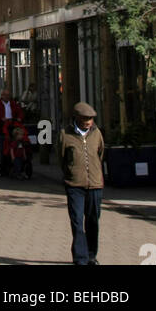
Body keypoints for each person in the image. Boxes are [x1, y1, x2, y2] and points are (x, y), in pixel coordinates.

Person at [61, 101, 105, 266]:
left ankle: (91, 254)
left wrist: (95, 173)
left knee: (93, 220)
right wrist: (72, 172)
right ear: (77, 118)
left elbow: (100, 154)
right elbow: (62, 158)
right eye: (85, 118)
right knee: (77, 221)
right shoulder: (66, 134)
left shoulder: (97, 133)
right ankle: (80, 258)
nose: (88, 121)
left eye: (91, 118)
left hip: (94, 185)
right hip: (74, 185)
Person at [0, 87, 24, 176]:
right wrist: (1, 119)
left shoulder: (13, 104)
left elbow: (20, 112)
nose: (7, 97)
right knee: (2, 150)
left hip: (12, 128)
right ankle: (1, 168)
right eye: (5, 95)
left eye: (8, 95)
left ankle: (13, 167)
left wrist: (19, 118)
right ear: (1, 95)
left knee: (14, 148)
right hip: (1, 129)